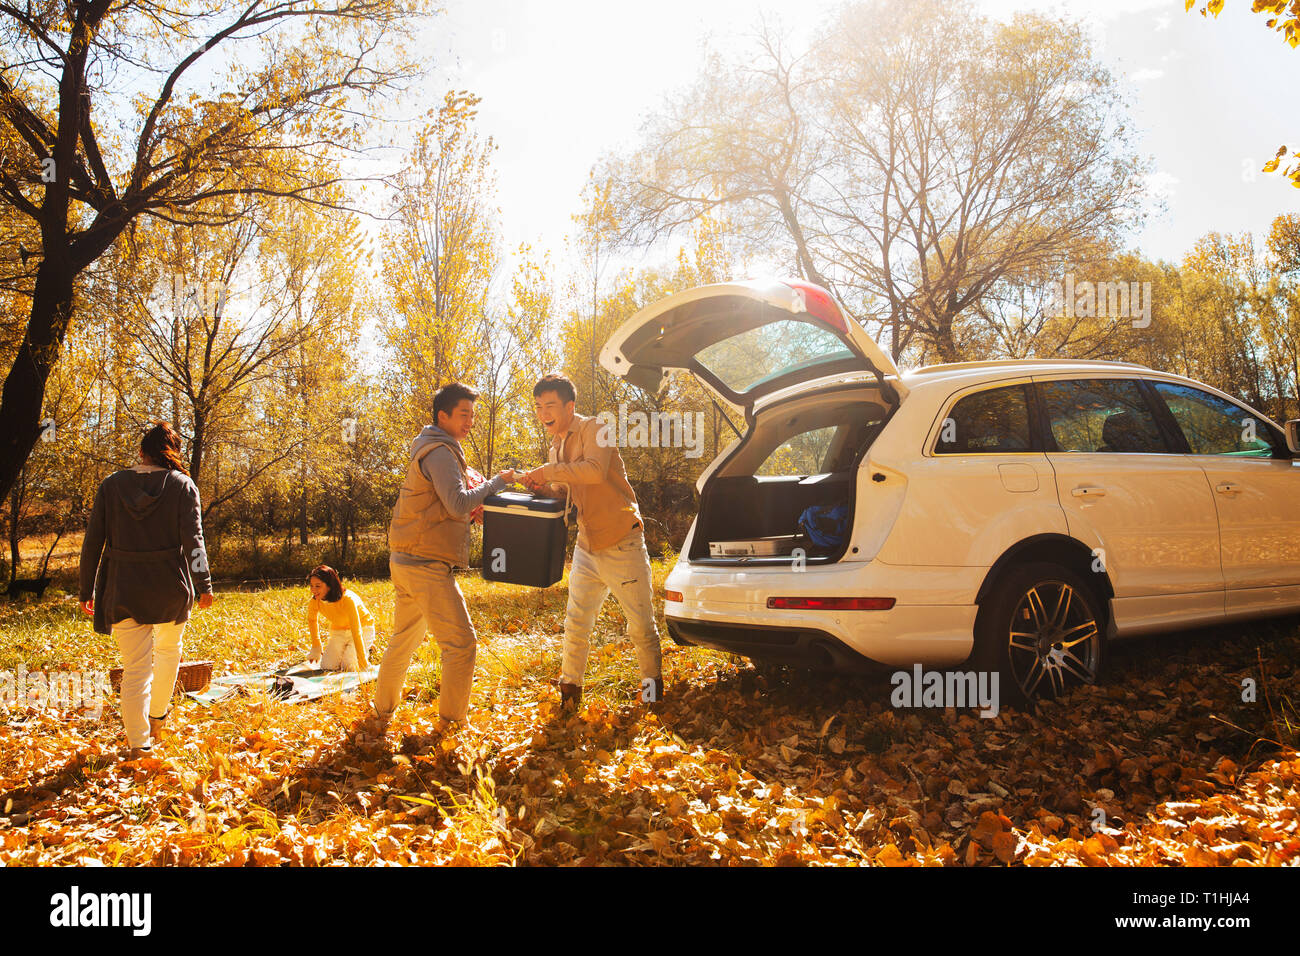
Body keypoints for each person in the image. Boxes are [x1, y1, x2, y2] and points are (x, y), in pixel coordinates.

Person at [374, 383, 517, 729]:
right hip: (425, 564)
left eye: (472, 415)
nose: (470, 421)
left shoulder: (433, 448)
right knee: (462, 645)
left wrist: (471, 506)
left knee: (403, 642)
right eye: (463, 414)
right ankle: (451, 727)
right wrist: (497, 482)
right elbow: (456, 503)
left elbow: (441, 505)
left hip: (405, 559)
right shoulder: (440, 452)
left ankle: (381, 715)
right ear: (443, 416)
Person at [522, 374, 663, 709]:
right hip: (586, 546)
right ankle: (569, 699)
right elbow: (564, 491)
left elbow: (594, 471)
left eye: (550, 405)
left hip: (621, 540)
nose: (543, 413)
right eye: (539, 407)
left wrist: (548, 471)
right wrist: (541, 487)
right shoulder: (555, 446)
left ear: (570, 406)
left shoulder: (595, 428)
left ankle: (654, 699)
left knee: (641, 626)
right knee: (576, 623)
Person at [79, 422, 213, 755]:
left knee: (135, 668)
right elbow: (193, 541)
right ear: (173, 454)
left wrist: (86, 589)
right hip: (170, 587)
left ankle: (138, 744)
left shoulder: (112, 485)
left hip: (123, 589)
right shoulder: (182, 485)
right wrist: (203, 584)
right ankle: (157, 720)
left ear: (142, 452)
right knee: (169, 655)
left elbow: (93, 540)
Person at [305, 565, 375, 671]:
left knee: (349, 666)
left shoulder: (347, 599)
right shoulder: (315, 601)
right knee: (327, 666)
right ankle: (349, 649)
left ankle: (367, 649)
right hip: (339, 630)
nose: (313, 590)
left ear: (329, 585)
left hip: (363, 629)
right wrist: (316, 646)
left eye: (318, 586)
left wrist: (363, 661)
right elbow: (312, 620)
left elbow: (357, 631)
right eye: (311, 586)